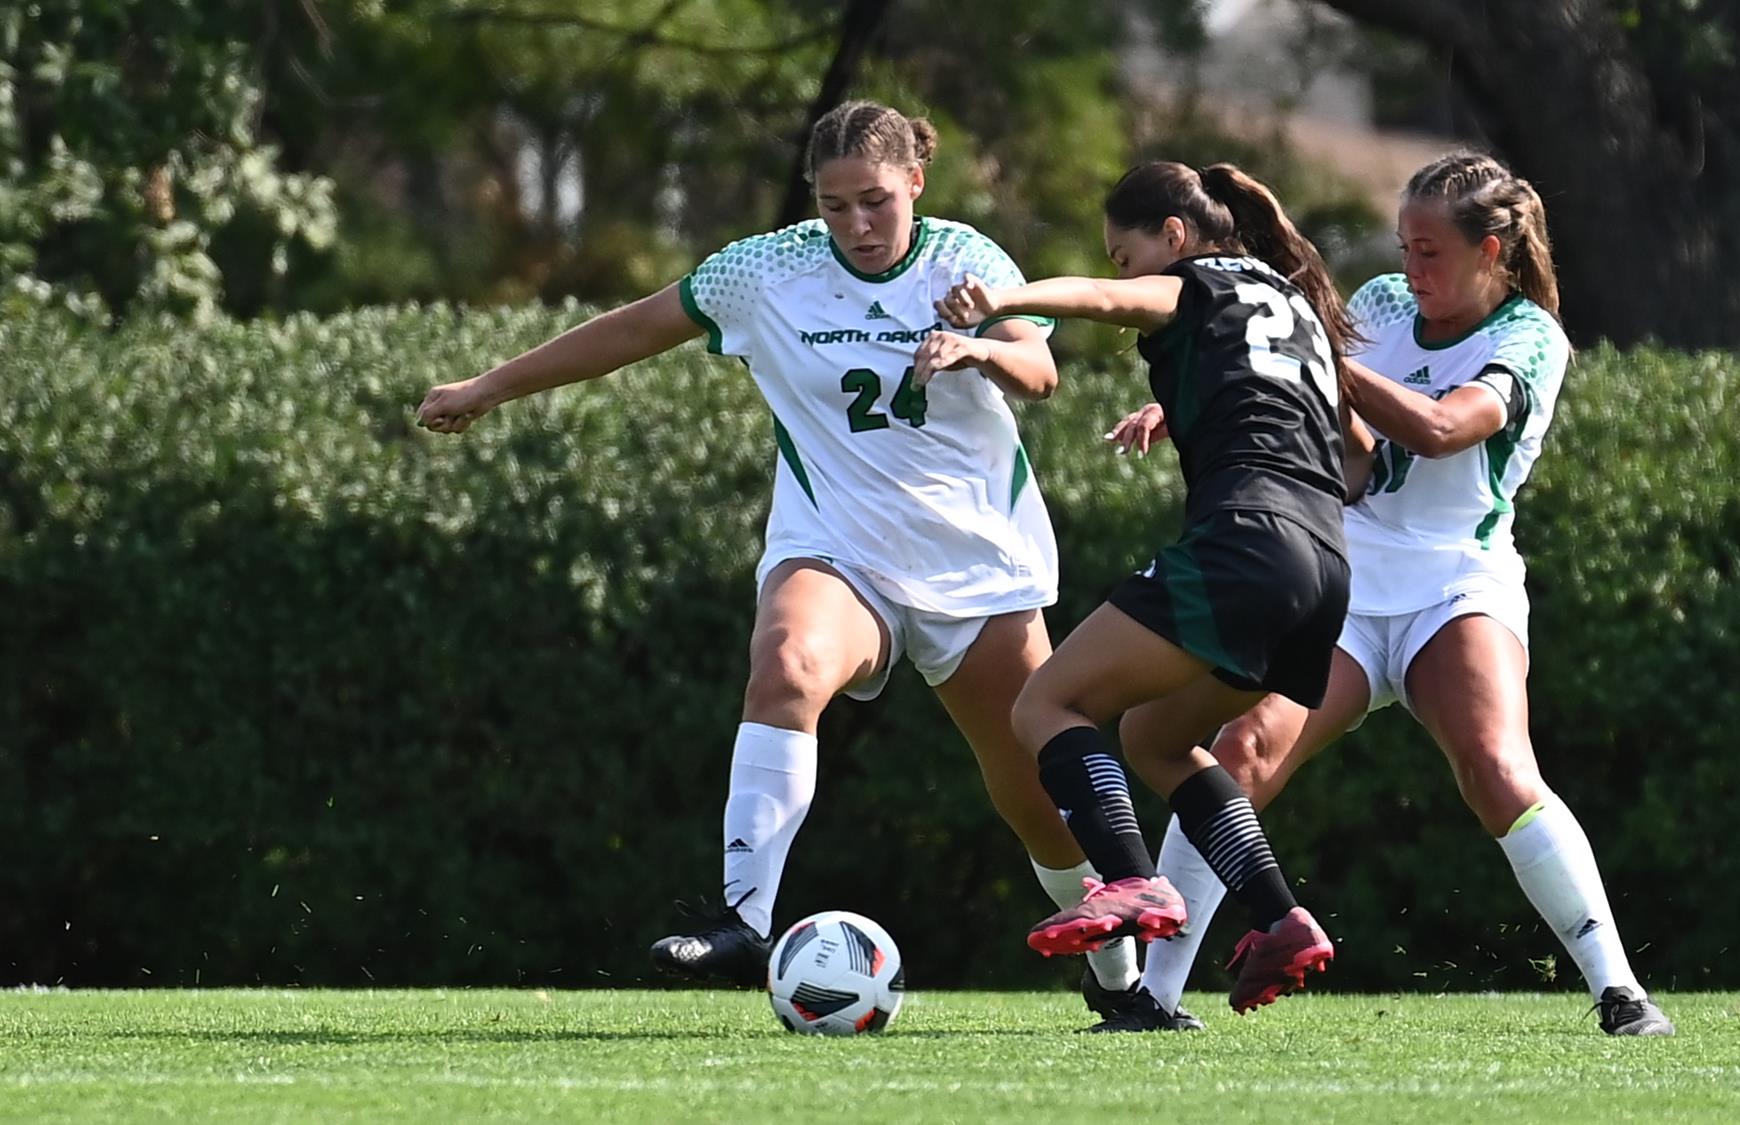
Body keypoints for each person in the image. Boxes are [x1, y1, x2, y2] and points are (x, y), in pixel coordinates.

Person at [416, 100, 1147, 1023]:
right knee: (789, 664)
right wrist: (489, 386)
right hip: (837, 547)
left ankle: (1120, 983)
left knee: (1036, 796)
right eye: (834, 205)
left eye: (876, 201)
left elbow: (1041, 372)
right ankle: (740, 920)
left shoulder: (967, 259)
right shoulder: (768, 269)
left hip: (975, 564)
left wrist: (980, 347)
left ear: (915, 181)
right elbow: (632, 330)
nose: (857, 225)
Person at [1104, 152, 1675, 1036]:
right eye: (1404, 248)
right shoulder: (1377, 306)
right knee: (1243, 747)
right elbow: (1300, 399)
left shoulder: (1529, 336)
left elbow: (1444, 429)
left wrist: (1324, 356)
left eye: (1431, 252)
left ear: (1494, 250)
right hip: (1347, 577)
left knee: (1496, 769)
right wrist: (1183, 407)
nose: (1411, 271)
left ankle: (1619, 988)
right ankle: (1156, 997)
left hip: (1455, 585)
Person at [932, 160, 1374, 1017]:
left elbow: (1105, 302)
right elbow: (1354, 446)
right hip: (1325, 566)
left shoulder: (1196, 282)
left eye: (1126, 254)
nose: (1125, 272)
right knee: (1157, 738)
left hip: (1246, 541)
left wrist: (1003, 304)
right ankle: (1280, 917)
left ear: (1175, 236)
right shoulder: (1297, 309)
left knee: (1045, 704)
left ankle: (1134, 883)